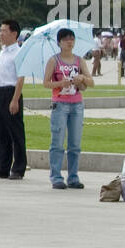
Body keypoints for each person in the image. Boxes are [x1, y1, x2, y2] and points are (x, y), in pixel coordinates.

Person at [42, 27, 93, 189]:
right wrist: (60, 83)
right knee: (57, 142)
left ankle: (73, 176)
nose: (69, 42)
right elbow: (46, 83)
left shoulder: (79, 60)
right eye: (65, 39)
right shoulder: (54, 60)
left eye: (71, 39)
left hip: (77, 104)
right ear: (59, 42)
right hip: (60, 104)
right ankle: (56, 176)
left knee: (75, 144)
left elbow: (91, 82)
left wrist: (82, 77)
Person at [0, 20, 26, 180]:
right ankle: (1, 167)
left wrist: (15, 100)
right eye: (0, 30)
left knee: (15, 133)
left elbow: (20, 78)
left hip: (11, 93)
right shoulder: (3, 51)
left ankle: (18, 168)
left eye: (4, 31)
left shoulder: (18, 52)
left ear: (14, 33)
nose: (0, 34)